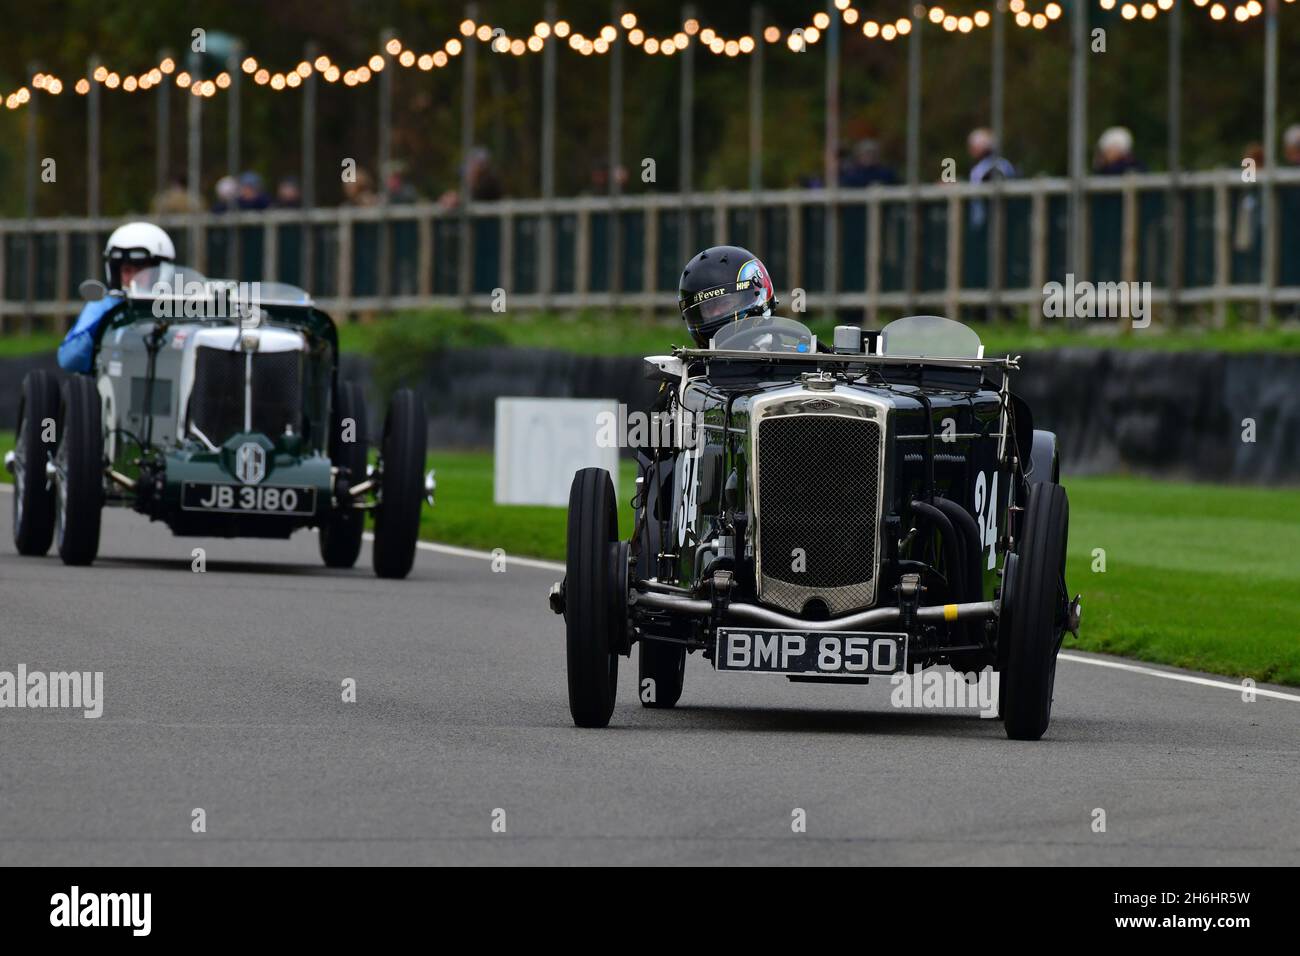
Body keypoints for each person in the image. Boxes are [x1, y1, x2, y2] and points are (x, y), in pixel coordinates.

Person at [58, 222, 175, 373]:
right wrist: (103, 322)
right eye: (126, 270)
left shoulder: (176, 303)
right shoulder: (105, 304)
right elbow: (69, 358)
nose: (133, 278)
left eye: (140, 270)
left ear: (160, 270)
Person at [676, 245, 778, 348]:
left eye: (725, 303)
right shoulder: (688, 364)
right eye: (708, 308)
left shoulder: (791, 359)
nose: (716, 313)